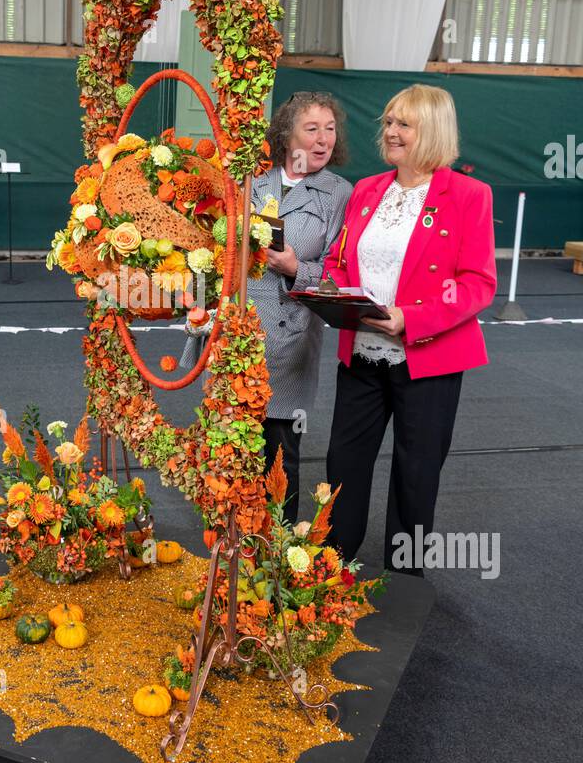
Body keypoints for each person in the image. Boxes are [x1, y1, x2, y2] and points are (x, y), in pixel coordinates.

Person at [322, 84, 496, 575]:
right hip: (360, 354)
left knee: (416, 476)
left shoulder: (469, 196)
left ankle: (405, 582)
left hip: (429, 360)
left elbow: (478, 283)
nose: (391, 132)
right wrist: (336, 295)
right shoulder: (367, 190)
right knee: (342, 465)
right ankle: (332, 567)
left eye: (404, 124)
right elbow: (339, 262)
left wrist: (410, 318)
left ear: (432, 131)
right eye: (389, 122)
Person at [183, 91, 351, 522]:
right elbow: (216, 247)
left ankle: (274, 551)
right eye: (311, 128)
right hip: (236, 334)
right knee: (228, 448)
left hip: (289, 339)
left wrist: (298, 268)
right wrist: (196, 297)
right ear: (286, 135)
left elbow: (341, 275)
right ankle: (228, 541)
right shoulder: (252, 185)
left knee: (280, 459)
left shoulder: (340, 195)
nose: (322, 139)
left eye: (329, 129)